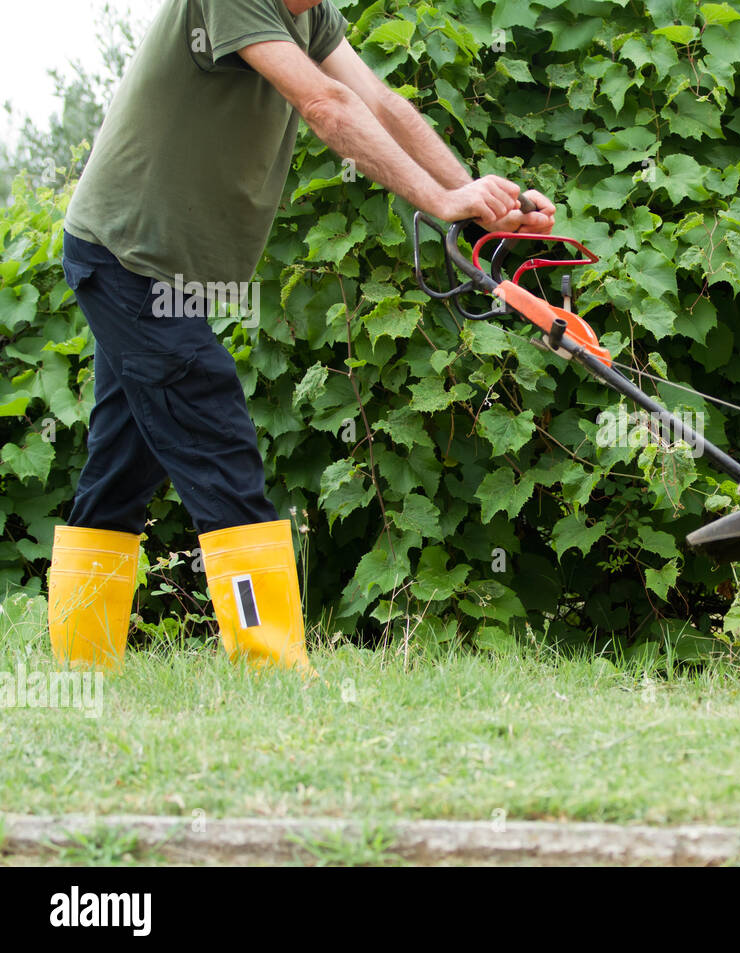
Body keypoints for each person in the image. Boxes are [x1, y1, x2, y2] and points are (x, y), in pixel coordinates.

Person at [48, 0, 554, 675]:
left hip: (166, 271)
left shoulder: (309, 13)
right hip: (127, 256)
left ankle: (82, 662)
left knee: (121, 466)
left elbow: (380, 103)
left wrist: (476, 204)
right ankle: (270, 663)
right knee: (213, 425)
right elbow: (326, 106)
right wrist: (439, 202)